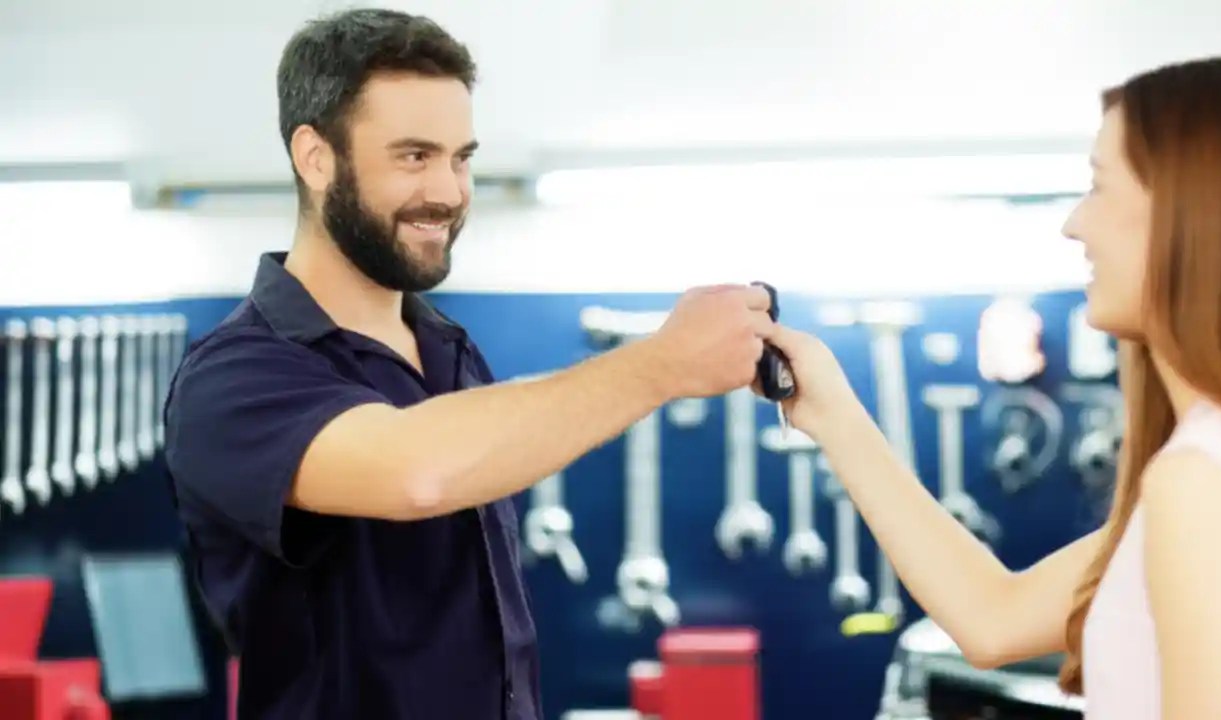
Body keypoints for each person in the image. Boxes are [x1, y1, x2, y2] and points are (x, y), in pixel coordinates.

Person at [162, 8, 775, 720]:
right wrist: (662, 364)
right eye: (414, 156)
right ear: (315, 157)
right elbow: (414, 471)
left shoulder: (450, 353)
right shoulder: (234, 378)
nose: (451, 193)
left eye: (462, 158)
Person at [760, 55, 1221, 719]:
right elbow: (993, 619)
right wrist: (831, 412)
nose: (1075, 224)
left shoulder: (1205, 480)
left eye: (1099, 187)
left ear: (1187, 213)